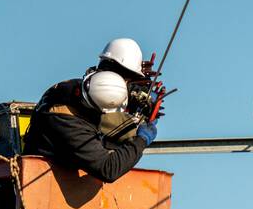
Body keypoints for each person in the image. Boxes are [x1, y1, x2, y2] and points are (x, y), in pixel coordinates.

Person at [24, 38, 165, 183]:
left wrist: (133, 97)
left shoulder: (80, 88)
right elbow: (108, 169)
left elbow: (107, 96)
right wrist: (141, 140)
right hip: (45, 180)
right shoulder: (70, 123)